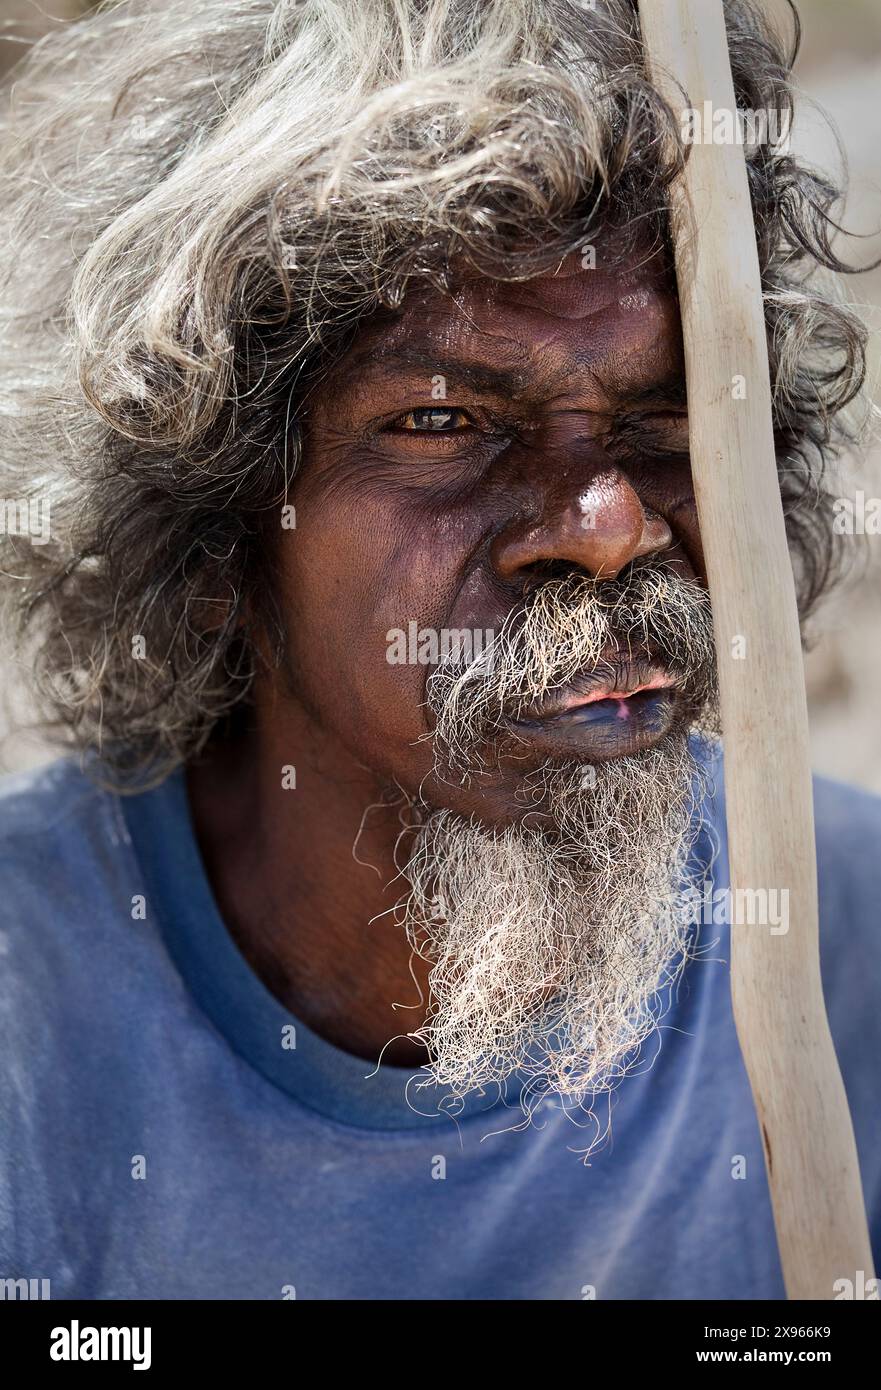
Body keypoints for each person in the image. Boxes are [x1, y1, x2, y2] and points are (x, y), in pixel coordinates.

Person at [0, 0, 877, 1300]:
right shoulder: (33, 1020)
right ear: (215, 534)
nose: (607, 523)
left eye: (660, 416)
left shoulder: (841, 936)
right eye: (441, 418)